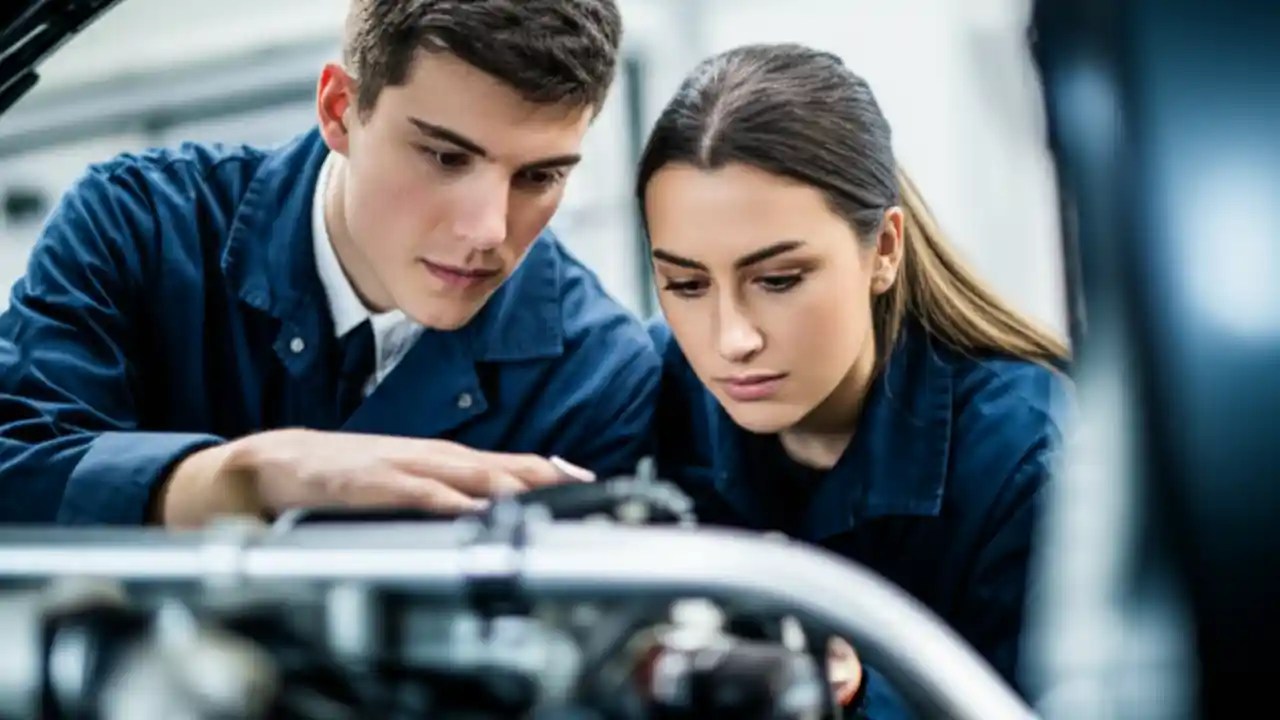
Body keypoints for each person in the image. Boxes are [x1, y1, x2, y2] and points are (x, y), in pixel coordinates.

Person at [0, 0, 660, 527]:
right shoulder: (138, 226)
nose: (487, 231)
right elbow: (16, 470)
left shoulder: (597, 375)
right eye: (445, 157)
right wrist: (235, 479)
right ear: (340, 109)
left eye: (539, 176)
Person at [638, 44, 1072, 716]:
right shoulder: (651, 383)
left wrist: (856, 686)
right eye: (686, 284)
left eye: (778, 280)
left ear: (885, 252)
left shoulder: (1028, 463)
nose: (732, 339)